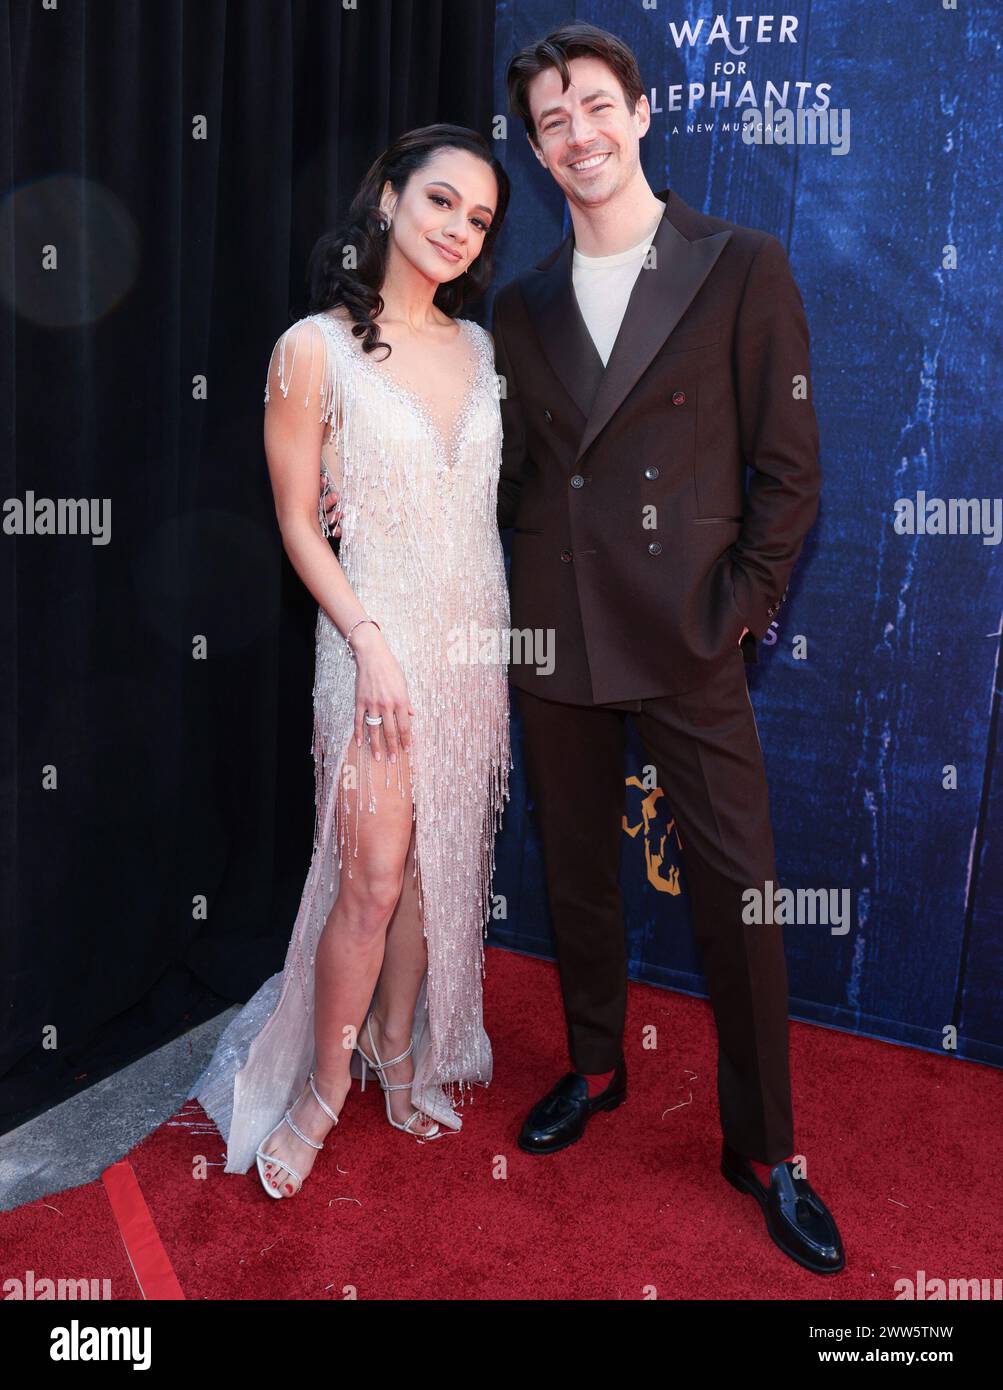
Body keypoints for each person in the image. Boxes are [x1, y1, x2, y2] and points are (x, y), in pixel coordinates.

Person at [495, 21, 844, 1274]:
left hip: (688, 638)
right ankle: (595, 1068)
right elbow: (514, 476)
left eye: (593, 105)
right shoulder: (518, 304)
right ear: (535, 151)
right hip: (554, 635)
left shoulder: (740, 264)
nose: (577, 134)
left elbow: (789, 474)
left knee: (740, 894)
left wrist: (740, 610)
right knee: (575, 876)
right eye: (550, 121)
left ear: (639, 113)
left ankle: (762, 1148)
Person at [190, 125, 512, 1198]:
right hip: (370, 638)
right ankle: (323, 1084)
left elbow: (465, 507)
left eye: (478, 220)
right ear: (385, 198)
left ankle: (399, 1046)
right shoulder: (310, 348)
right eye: (440, 203)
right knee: (372, 876)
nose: (457, 231)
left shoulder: (477, 350)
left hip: (471, 636)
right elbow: (298, 522)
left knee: (430, 868)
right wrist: (367, 637)